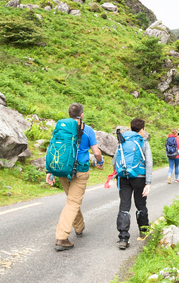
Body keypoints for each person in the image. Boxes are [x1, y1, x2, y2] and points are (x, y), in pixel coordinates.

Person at [46, 103, 103, 251]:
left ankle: (79, 227)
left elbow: (53, 148)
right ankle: (61, 237)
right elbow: (96, 152)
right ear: (82, 114)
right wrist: (100, 162)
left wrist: (49, 171)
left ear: (69, 114)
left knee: (72, 200)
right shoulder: (88, 129)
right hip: (80, 171)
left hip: (63, 169)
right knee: (73, 202)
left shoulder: (62, 127)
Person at [115, 118, 153, 250]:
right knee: (140, 204)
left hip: (124, 177)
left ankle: (123, 238)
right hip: (139, 178)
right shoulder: (143, 142)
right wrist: (148, 183)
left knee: (124, 206)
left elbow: (115, 160)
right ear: (142, 130)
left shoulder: (122, 141)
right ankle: (144, 230)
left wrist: (117, 178)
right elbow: (149, 163)